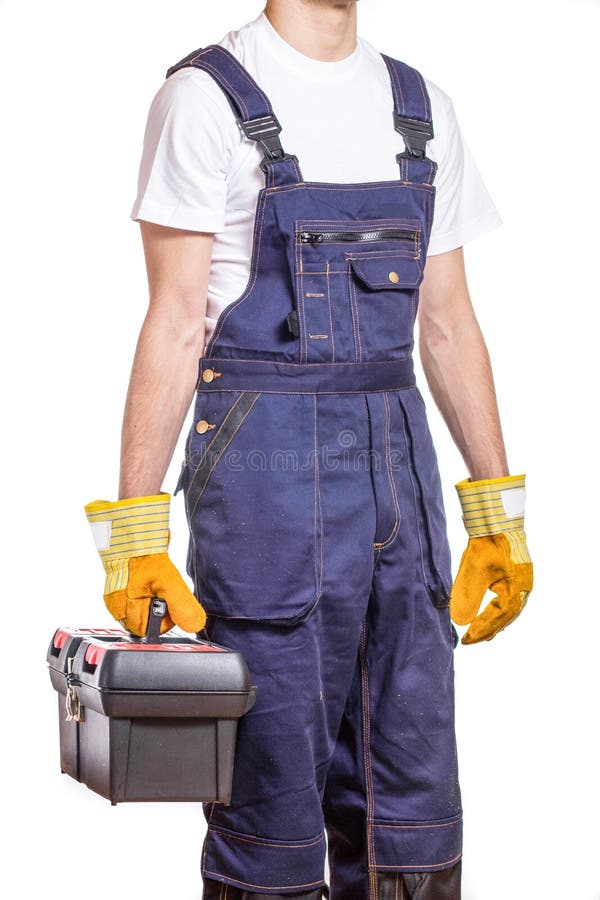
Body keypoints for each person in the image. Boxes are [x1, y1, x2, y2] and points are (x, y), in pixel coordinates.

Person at [84, 2, 534, 898]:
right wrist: (135, 529)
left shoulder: (420, 108)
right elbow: (175, 323)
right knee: (273, 805)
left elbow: (447, 323)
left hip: (400, 487)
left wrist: (498, 514)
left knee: (413, 802)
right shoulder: (206, 96)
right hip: (268, 484)